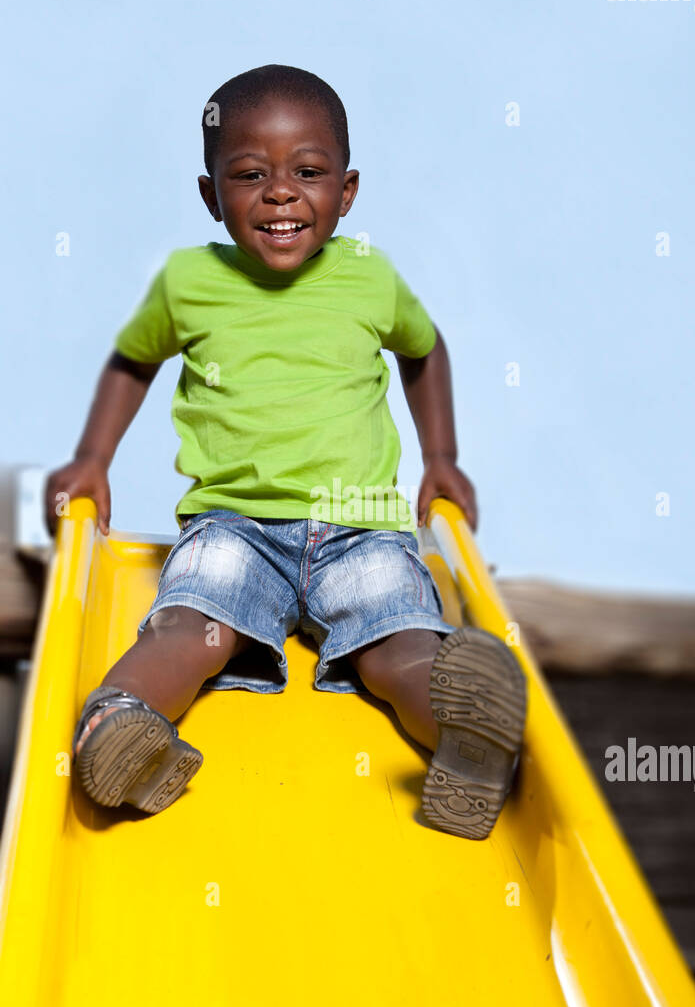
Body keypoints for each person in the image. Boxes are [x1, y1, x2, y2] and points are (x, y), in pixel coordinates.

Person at [45, 64, 526, 840]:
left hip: (361, 527)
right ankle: (122, 725)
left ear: (347, 190)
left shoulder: (368, 276)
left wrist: (443, 457)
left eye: (308, 172)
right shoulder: (189, 281)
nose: (279, 194)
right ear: (210, 195)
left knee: (398, 644)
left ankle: (461, 739)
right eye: (249, 175)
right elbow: (133, 361)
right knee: (189, 630)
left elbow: (424, 350)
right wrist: (92, 460)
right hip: (233, 528)